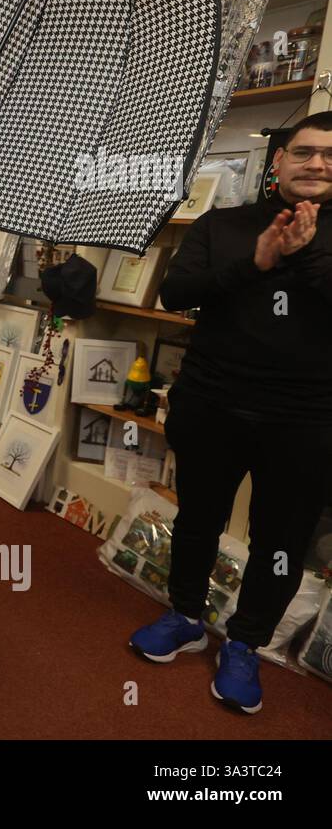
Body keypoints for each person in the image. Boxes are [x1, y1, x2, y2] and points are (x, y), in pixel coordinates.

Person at [129, 112, 332, 715]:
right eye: (305, 152)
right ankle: (186, 615)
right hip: (212, 406)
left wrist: (301, 259)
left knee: (280, 542)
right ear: (279, 161)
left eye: (330, 155)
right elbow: (176, 293)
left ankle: (244, 644)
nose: (318, 163)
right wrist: (258, 261)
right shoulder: (222, 225)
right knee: (198, 519)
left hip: (306, 421)